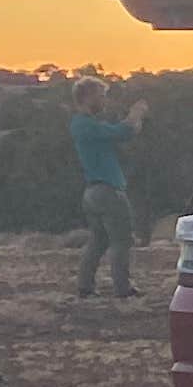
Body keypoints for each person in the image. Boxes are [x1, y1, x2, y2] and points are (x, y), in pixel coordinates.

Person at [68, 78, 149, 300]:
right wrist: (136, 114)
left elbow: (126, 132)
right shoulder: (87, 125)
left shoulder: (82, 125)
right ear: (88, 97)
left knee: (98, 240)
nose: (104, 100)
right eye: (101, 95)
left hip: (93, 191)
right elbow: (123, 132)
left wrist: (133, 121)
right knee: (122, 240)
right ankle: (123, 288)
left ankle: (85, 286)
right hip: (107, 190)